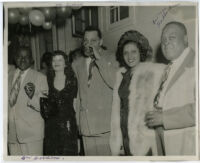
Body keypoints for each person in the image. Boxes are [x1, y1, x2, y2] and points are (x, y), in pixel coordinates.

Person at [110, 30, 166, 156]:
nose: (130, 56)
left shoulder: (153, 73)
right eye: (126, 53)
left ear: (141, 52)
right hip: (125, 135)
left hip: (143, 138)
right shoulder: (121, 76)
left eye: (133, 51)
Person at [145, 21, 196, 155]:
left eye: (172, 37)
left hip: (187, 145)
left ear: (185, 39)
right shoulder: (170, 67)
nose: (166, 43)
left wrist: (164, 118)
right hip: (166, 141)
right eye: (163, 40)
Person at [72, 26, 119, 155]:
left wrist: (99, 58)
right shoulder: (77, 64)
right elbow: (78, 95)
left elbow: (115, 83)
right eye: (86, 41)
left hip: (105, 126)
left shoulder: (112, 58)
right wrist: (78, 122)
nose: (89, 44)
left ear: (101, 42)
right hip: (86, 126)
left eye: (93, 41)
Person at [8, 46, 48, 155]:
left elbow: (45, 107)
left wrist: (32, 96)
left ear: (31, 60)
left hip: (32, 133)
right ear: (15, 59)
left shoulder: (40, 77)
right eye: (20, 57)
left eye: (26, 57)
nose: (23, 59)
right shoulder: (7, 76)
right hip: (12, 133)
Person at [43, 50, 78, 156]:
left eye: (59, 59)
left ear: (65, 63)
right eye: (54, 60)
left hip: (68, 123)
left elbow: (76, 103)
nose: (56, 62)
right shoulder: (47, 80)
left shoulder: (72, 80)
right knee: (53, 153)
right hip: (51, 124)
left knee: (68, 153)